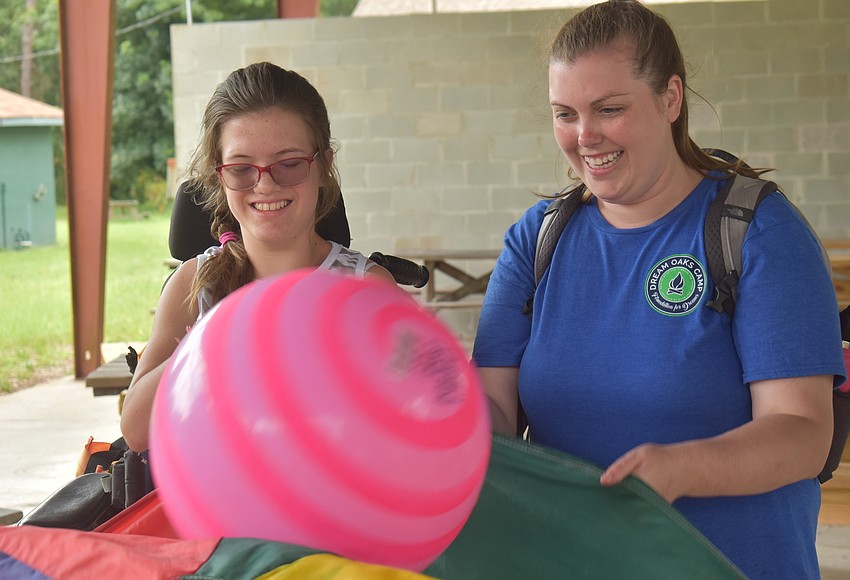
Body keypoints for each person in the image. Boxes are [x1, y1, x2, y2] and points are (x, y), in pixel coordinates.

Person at [471, 1, 846, 577]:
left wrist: (681, 469)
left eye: (610, 109)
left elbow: (803, 434)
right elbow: (493, 409)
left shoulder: (757, 232)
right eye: (565, 114)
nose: (584, 135)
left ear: (671, 98)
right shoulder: (539, 237)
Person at [121, 62, 395, 453]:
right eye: (241, 168)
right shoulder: (194, 284)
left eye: (290, 164)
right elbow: (136, 431)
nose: (265, 184)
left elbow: (416, 417)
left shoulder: (365, 289)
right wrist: (217, 340)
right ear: (219, 175)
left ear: (323, 166)